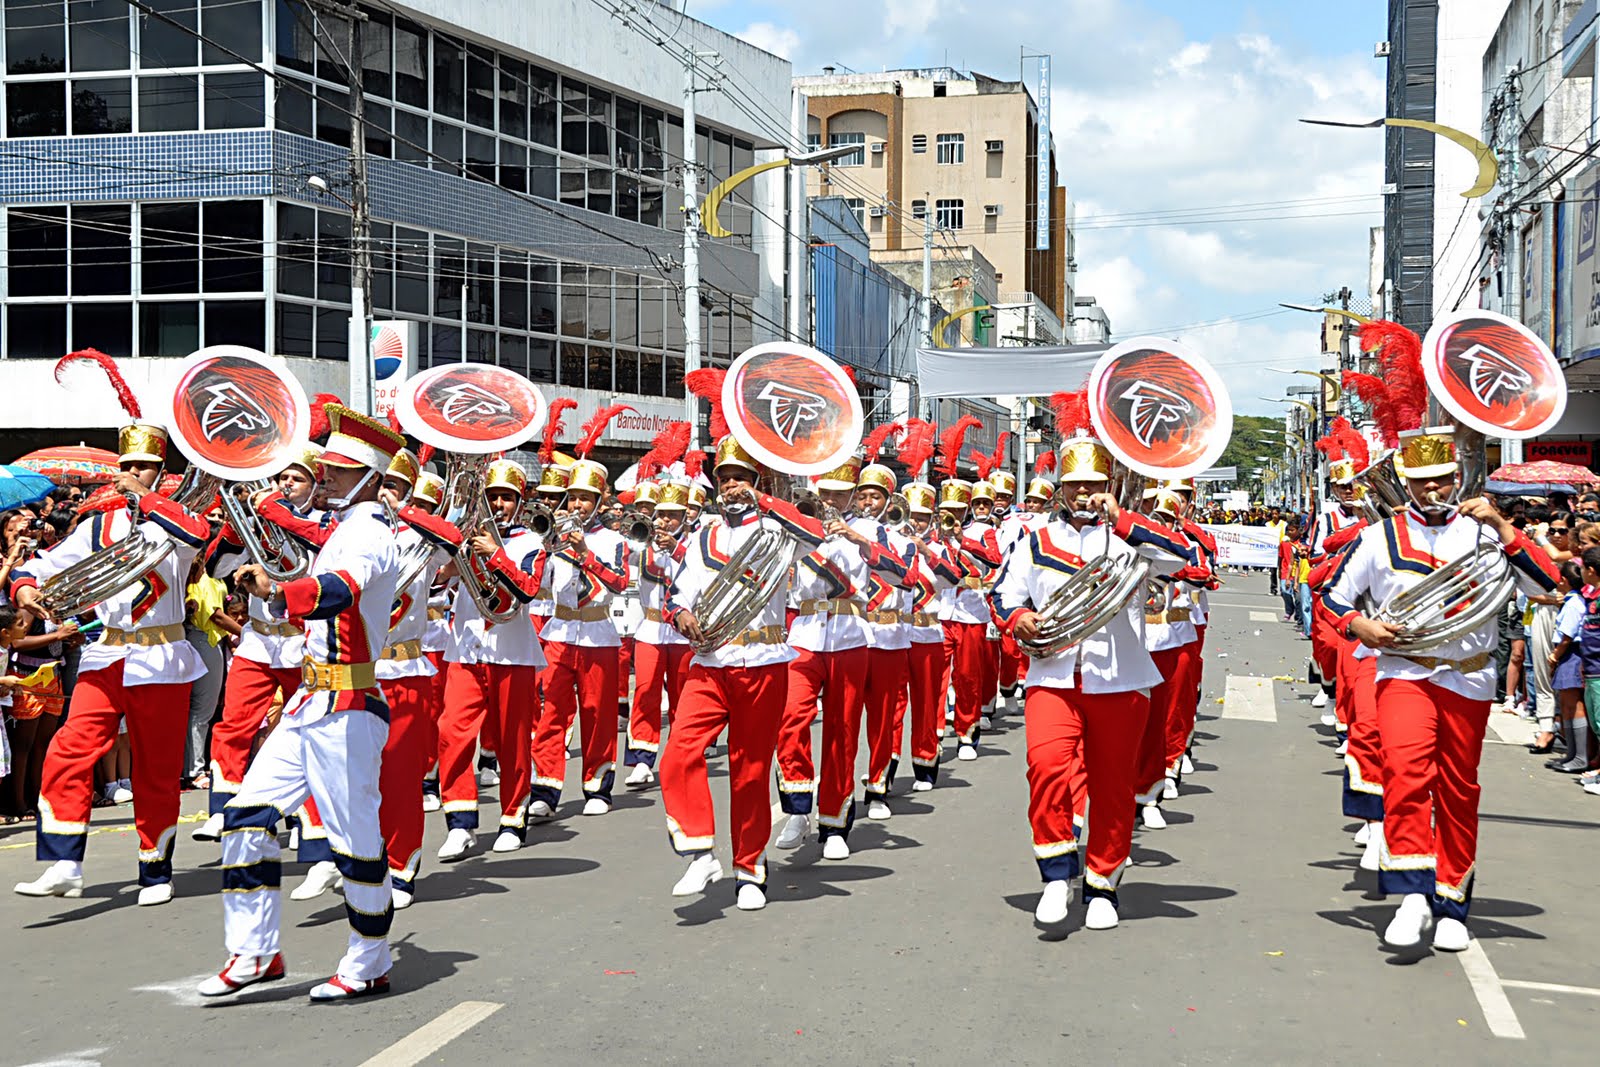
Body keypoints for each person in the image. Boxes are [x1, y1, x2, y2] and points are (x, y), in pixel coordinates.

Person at [1325, 426, 1559, 952]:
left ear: (1457, 478)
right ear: (1407, 482)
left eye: (1442, 479)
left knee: (1458, 788)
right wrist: (1358, 626)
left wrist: (1502, 525)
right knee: (1405, 774)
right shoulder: (1377, 537)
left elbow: (1546, 583)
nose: (1432, 489)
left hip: (1469, 677)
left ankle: (1452, 901)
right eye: (1421, 480)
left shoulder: (1484, 534)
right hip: (1404, 672)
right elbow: (1334, 596)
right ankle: (1412, 894)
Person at [201, 404, 404, 1001]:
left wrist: (277, 591)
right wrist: (268, 592)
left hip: (349, 705)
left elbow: (339, 592)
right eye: (329, 466)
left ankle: (370, 959)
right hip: (310, 701)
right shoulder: (342, 527)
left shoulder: (370, 531)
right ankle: (255, 952)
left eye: (341, 470)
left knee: (353, 840)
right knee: (246, 818)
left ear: (370, 478)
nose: (328, 475)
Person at [991, 425, 1192, 930]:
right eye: (1075, 484)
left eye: (1094, 483)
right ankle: (1057, 873)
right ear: (1060, 488)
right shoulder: (1034, 539)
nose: (1084, 492)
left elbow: (1182, 558)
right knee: (1046, 768)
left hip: (1119, 679)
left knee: (1113, 785)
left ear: (1109, 485)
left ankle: (1103, 883)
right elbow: (1002, 595)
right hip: (1053, 675)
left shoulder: (1131, 537)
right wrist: (1019, 618)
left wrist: (1121, 518)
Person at [11, 417, 211, 905]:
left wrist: (146, 498)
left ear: (160, 471)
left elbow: (196, 533)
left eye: (145, 466)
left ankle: (155, 870)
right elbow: (42, 565)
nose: (133, 473)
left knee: (156, 769)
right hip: (107, 655)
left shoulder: (177, 521)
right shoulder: (99, 526)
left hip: (162, 659)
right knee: (68, 749)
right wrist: (27, 587)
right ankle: (64, 862)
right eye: (128, 465)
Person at [658, 435, 828, 911]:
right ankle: (699, 851)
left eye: (741, 478)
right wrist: (680, 613)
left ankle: (750, 870)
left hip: (764, 663)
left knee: (749, 773)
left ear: (755, 481)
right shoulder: (703, 534)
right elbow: (678, 590)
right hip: (711, 662)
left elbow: (815, 532)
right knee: (677, 756)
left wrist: (765, 499)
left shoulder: (778, 530)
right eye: (726, 478)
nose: (732, 486)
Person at [404, 460, 547, 860]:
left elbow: (528, 590)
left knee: (512, 738)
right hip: (465, 649)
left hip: (512, 652)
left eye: (507, 498)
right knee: (452, 732)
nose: (499, 504)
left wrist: (495, 555)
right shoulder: (465, 537)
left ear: (519, 503)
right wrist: (446, 566)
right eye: (493, 497)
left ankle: (513, 819)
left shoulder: (530, 543)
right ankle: (460, 822)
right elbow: (433, 585)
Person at [194, 445, 324, 842]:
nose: (287, 483)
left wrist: (275, 514)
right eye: (283, 476)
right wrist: (237, 528)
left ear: (314, 486)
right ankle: (224, 810)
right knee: (233, 725)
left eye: (297, 478)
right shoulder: (260, 523)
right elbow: (216, 568)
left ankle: (306, 821)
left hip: (302, 643)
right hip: (258, 641)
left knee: (306, 730)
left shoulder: (324, 523)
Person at [528, 428, 633, 819]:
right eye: (572, 497)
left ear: (599, 500)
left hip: (597, 634)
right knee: (551, 713)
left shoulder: (614, 540)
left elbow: (619, 582)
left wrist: (585, 553)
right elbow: (536, 585)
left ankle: (597, 787)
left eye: (584, 498)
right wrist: (545, 547)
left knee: (597, 714)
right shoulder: (551, 536)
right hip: (558, 631)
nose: (577, 504)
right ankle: (545, 790)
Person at [625, 479, 693, 788]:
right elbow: (624, 564)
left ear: (684, 518)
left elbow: (700, 572)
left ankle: (681, 754)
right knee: (645, 692)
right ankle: (642, 759)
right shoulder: (642, 542)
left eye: (672, 516)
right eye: (661, 515)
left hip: (681, 634)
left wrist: (675, 549)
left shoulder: (695, 545)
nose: (665, 521)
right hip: (650, 629)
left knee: (683, 696)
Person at [1548, 560, 1591, 774]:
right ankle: (1571, 754)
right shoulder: (1571, 600)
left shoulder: (1574, 603)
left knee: (1574, 705)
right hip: (1568, 654)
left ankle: (1580, 757)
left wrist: (1555, 655)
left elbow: (1567, 636)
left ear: (1564, 581)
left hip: (1572, 653)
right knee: (1566, 704)